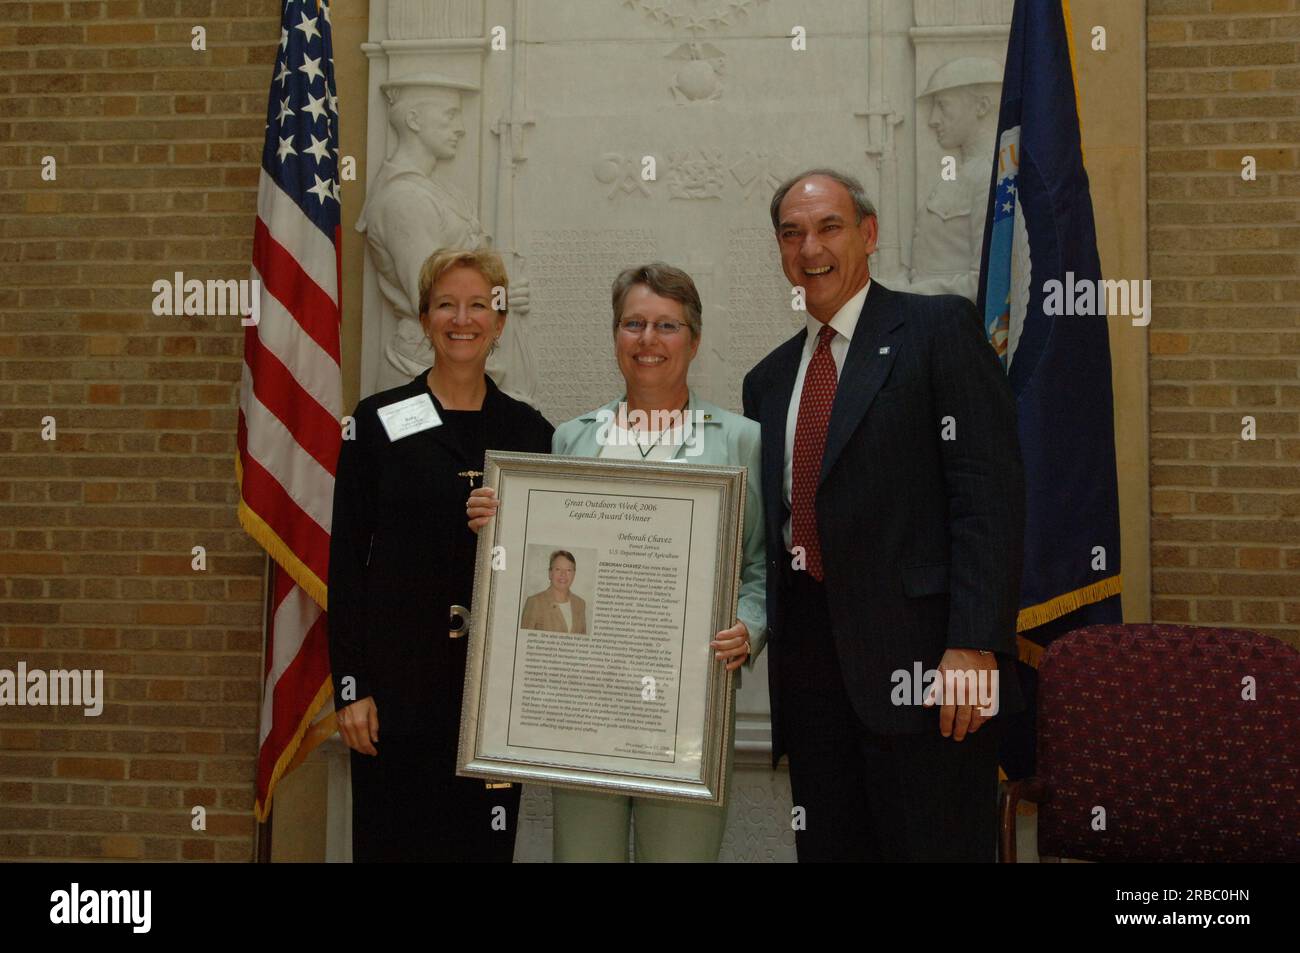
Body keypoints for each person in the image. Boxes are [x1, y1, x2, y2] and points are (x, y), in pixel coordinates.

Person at [742, 168, 1025, 862]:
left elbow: (987, 493)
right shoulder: (769, 378)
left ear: (868, 234)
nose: (811, 247)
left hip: (929, 671)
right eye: (792, 232)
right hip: (812, 677)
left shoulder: (938, 329)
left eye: (829, 226)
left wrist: (973, 642)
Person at [467, 262, 766, 862]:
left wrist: (749, 626)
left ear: (695, 339)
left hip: (690, 708)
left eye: (667, 326)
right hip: (585, 708)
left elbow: (759, 568)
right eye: (633, 324)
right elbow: (535, 561)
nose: (648, 341)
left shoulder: (740, 441)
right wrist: (501, 522)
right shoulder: (572, 439)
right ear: (614, 335)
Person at [328, 247, 553, 862]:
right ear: (424, 318)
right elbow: (346, 561)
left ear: (500, 322)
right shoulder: (377, 422)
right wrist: (350, 687)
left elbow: (549, 569)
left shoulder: (531, 433)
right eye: (447, 305)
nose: (463, 319)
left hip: (490, 702)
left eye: (479, 305)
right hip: (393, 699)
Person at [520, 550, 588, 634]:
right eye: (558, 569)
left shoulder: (580, 604)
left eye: (568, 570)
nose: (563, 574)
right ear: (550, 573)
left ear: (574, 574)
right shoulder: (534, 602)